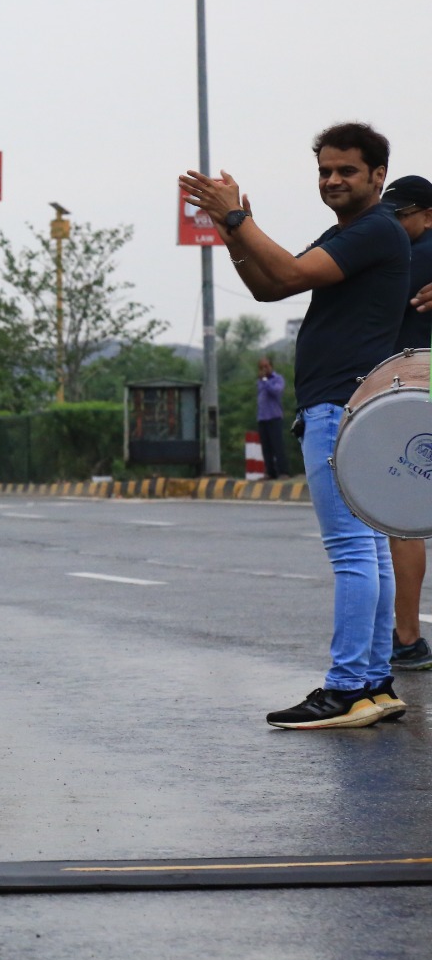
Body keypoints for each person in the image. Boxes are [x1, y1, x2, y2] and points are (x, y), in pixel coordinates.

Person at [182, 122, 411, 729]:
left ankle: (346, 687)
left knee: (352, 550)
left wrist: (236, 220)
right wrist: (236, 231)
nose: (332, 180)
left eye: (346, 171)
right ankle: (376, 683)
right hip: (344, 403)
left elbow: (284, 274)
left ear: (377, 176)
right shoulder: (352, 233)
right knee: (372, 551)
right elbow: (266, 287)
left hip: (340, 404)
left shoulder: (374, 230)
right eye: (324, 171)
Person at [381, 175, 432, 672]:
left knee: (401, 517)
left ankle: (408, 636)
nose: (392, 224)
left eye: (401, 215)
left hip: (411, 388)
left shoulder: (408, 256)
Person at [254, 358, 288, 479]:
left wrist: (265, 380)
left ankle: (283, 472)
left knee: (277, 445)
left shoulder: (277, 379)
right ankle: (270, 472)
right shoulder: (260, 382)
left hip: (274, 417)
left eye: (266, 366)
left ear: (271, 366)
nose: (264, 369)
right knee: (266, 447)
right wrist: (262, 380)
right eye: (262, 367)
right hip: (262, 417)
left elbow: (276, 391)